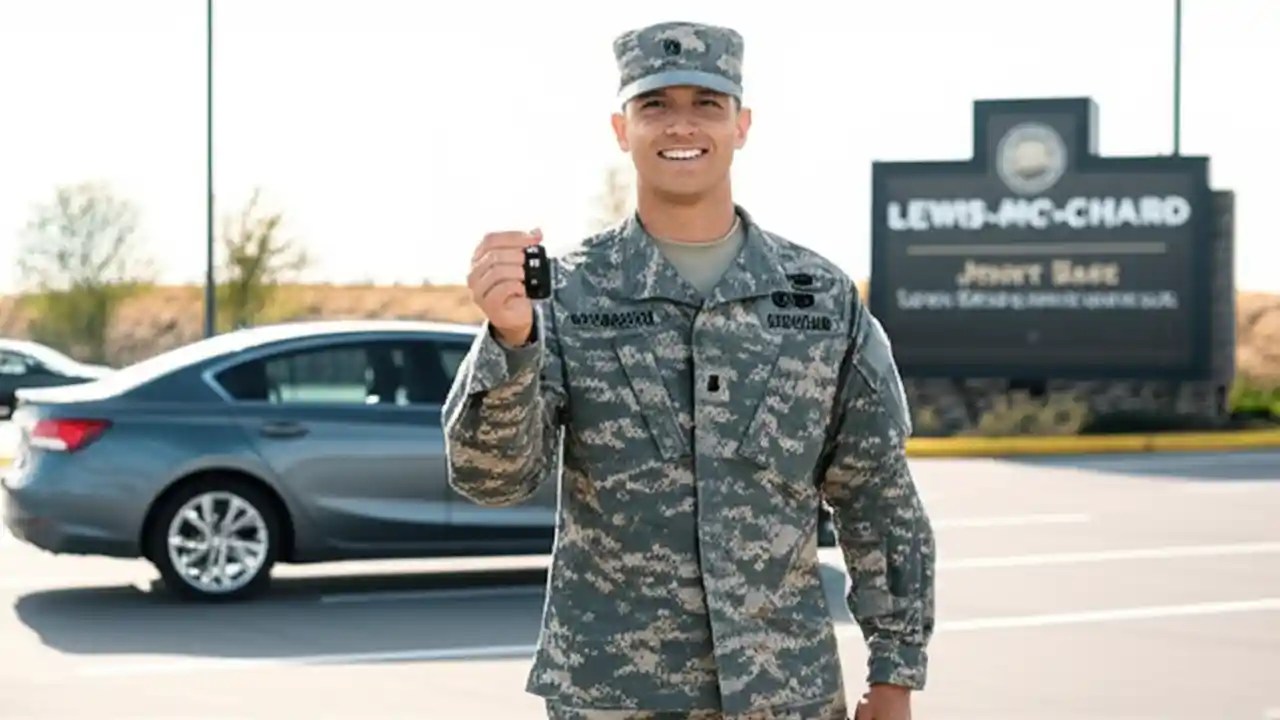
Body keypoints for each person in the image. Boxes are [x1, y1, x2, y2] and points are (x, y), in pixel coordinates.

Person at [442, 20, 935, 720]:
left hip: (784, 694)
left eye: (706, 103)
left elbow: (878, 498)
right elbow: (492, 480)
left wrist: (894, 675)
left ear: (742, 124)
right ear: (622, 128)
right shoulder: (563, 295)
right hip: (616, 695)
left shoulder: (821, 301)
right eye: (655, 104)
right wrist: (510, 337)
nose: (682, 124)